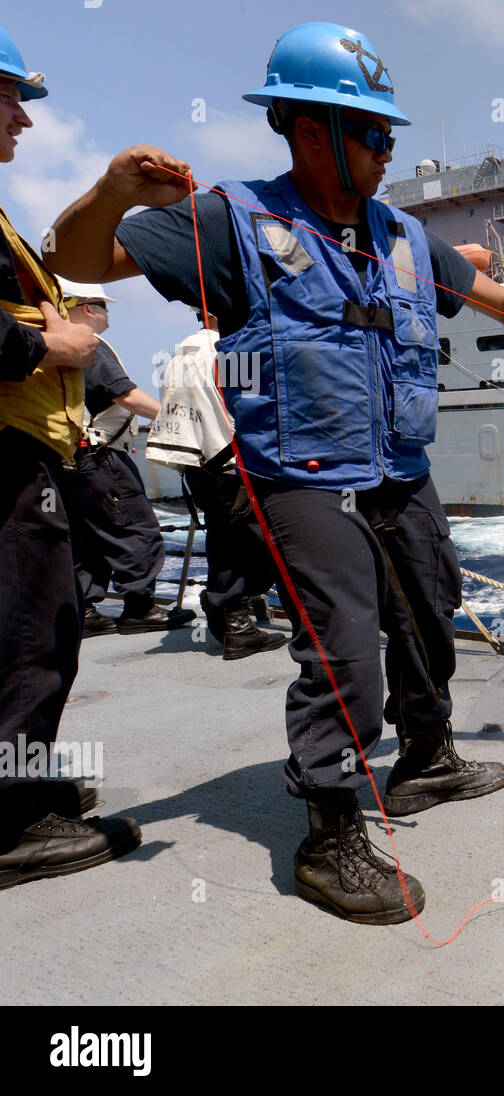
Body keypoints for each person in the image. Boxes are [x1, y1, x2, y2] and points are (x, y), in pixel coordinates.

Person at [48, 21, 504, 923]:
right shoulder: (231, 221)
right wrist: (112, 191)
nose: (387, 145)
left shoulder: (403, 235)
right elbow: (77, 260)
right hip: (301, 478)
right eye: (371, 130)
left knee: (430, 614)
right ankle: (329, 835)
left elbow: (503, 300)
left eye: (386, 131)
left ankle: (426, 760)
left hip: (398, 469)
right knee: (341, 650)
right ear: (307, 129)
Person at [0, 27, 141, 889]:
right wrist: (48, 345)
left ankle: (17, 780)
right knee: (32, 635)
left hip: (28, 450)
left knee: (34, 625)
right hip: (9, 454)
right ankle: (14, 825)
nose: (23, 117)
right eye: (9, 95)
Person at [59, 277, 196, 636]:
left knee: (88, 533)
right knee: (136, 526)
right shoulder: (88, 343)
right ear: (89, 308)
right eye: (104, 306)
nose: (107, 314)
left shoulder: (58, 345)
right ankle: (140, 607)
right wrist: (177, 415)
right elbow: (126, 395)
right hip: (102, 457)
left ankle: (86, 610)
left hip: (74, 459)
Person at [147, 310, 286, 659]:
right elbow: (253, 411)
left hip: (200, 465)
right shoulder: (233, 349)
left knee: (225, 541)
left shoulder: (181, 353)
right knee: (274, 544)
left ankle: (229, 622)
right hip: (235, 464)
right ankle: (237, 620)